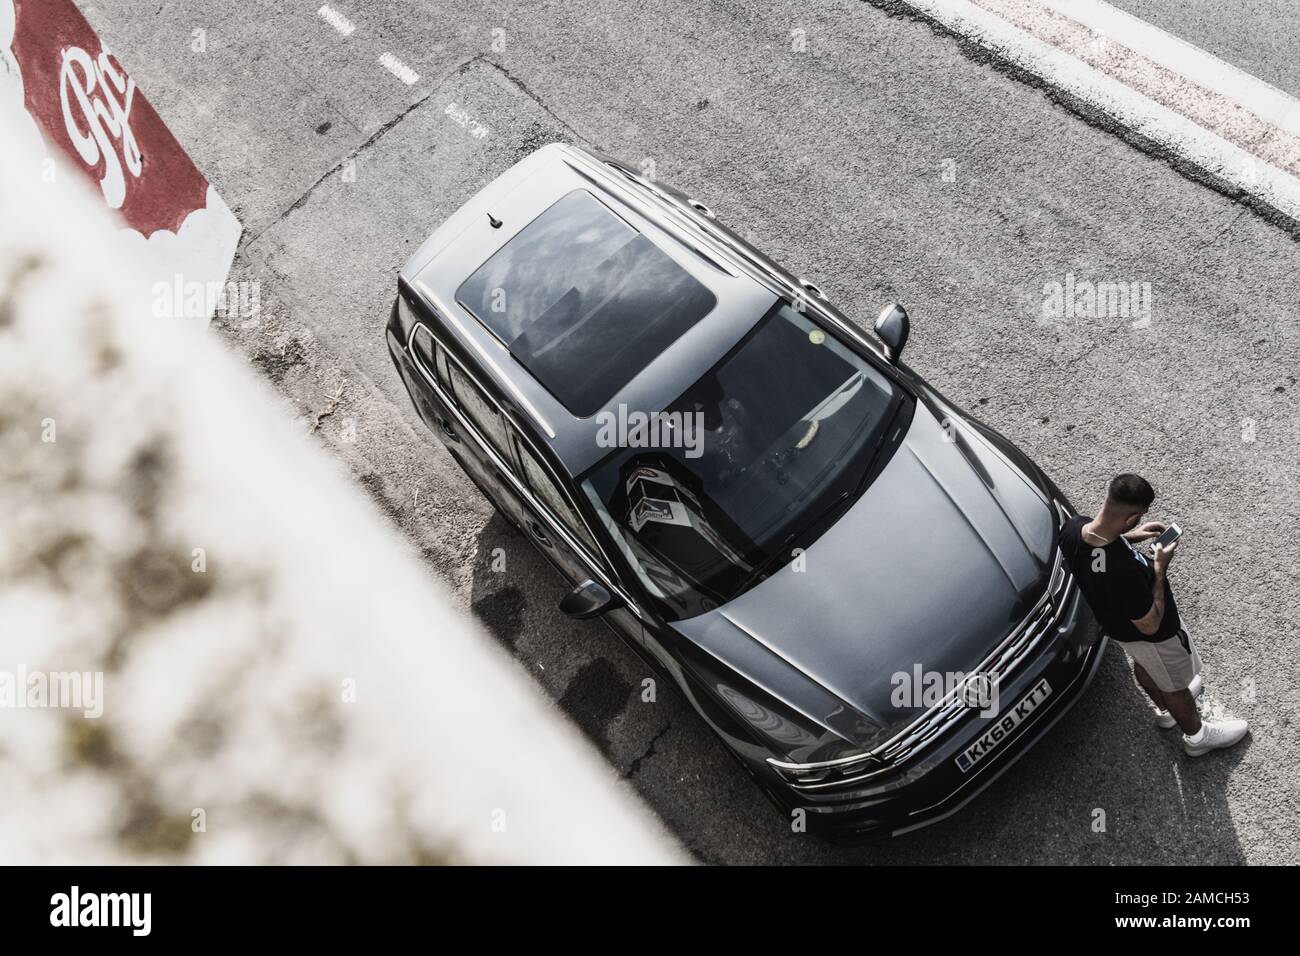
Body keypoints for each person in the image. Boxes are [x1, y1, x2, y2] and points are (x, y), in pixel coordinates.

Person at [1059, 474, 1248, 755]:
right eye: (1139, 517)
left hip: (1120, 630)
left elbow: (1096, 556)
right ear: (1130, 516)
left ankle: (1165, 710)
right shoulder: (1123, 574)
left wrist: (1132, 536)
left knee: (1147, 667)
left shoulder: (1075, 529)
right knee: (1174, 685)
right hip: (1153, 638)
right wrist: (1160, 569)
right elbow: (1150, 625)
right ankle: (1197, 737)